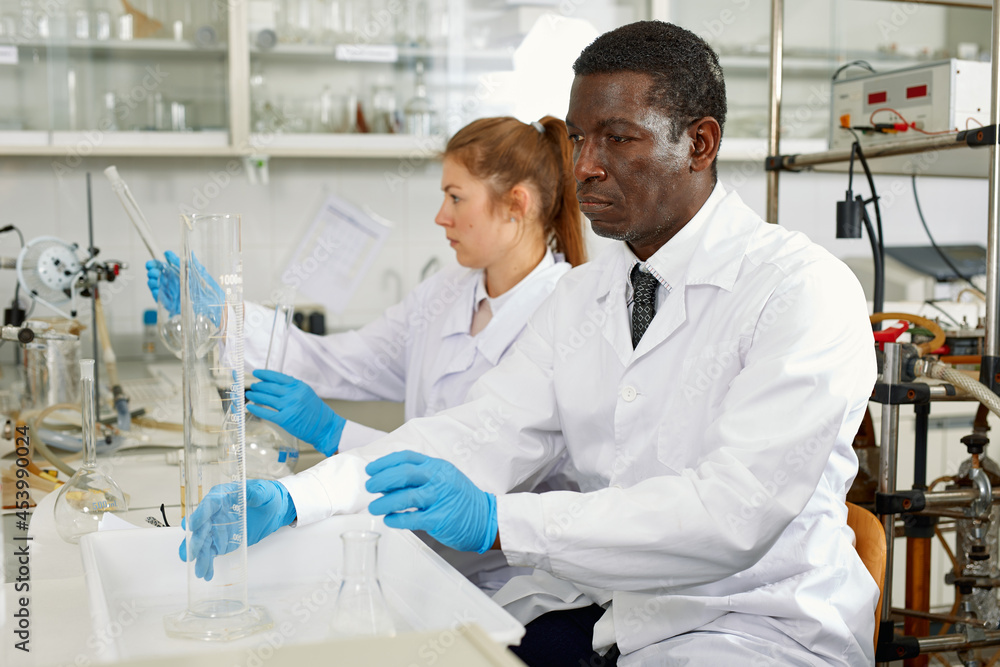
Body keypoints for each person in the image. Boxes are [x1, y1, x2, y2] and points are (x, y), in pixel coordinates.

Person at [183, 21, 878, 666]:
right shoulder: (586, 296)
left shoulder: (801, 290)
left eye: (618, 139)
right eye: (579, 139)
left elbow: (731, 515)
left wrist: (497, 519)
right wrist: (299, 497)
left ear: (698, 143)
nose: (584, 168)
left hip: (757, 629)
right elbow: (478, 429)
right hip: (616, 614)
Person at [150, 114, 586, 589]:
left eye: (456, 197)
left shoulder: (565, 312)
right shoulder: (446, 292)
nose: (441, 215)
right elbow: (344, 362)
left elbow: (472, 459)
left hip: (515, 586)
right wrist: (224, 316)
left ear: (515, 205)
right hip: (415, 553)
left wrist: (336, 434)